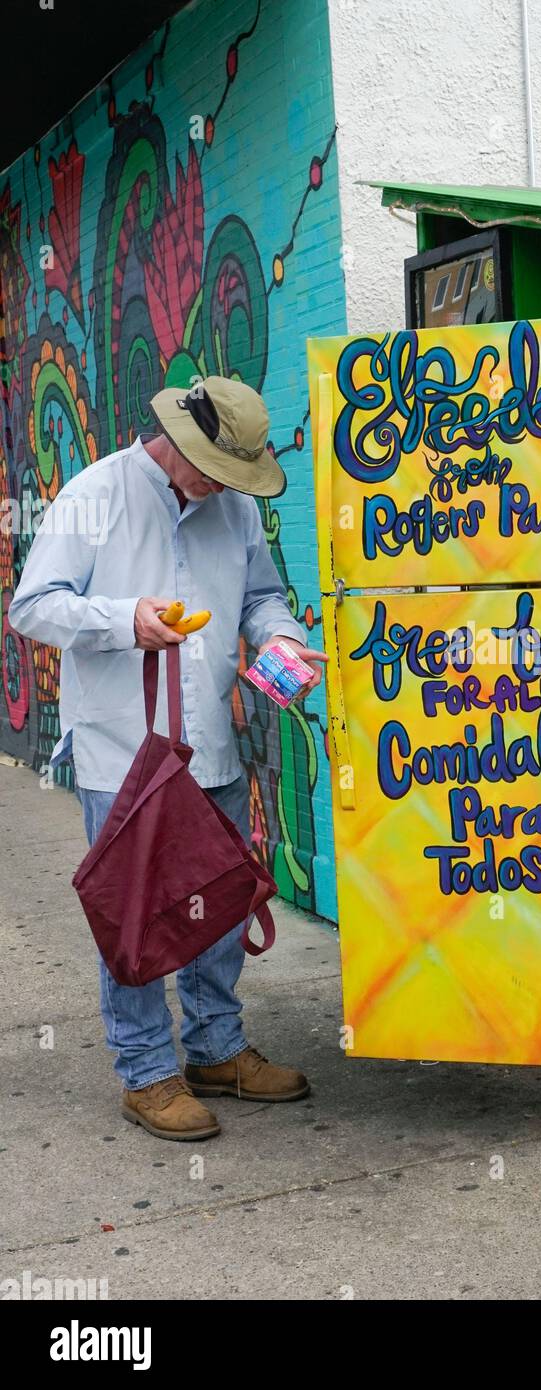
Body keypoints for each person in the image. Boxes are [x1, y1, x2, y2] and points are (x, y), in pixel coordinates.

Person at [10, 375, 328, 1143]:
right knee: (139, 915)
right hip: (123, 754)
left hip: (209, 747)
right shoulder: (95, 494)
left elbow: (260, 596)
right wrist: (125, 619)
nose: (224, 487)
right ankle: (146, 1070)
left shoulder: (235, 505)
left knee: (218, 904)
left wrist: (278, 634)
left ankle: (217, 1049)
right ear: (180, 446)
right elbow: (32, 605)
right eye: (214, 470)